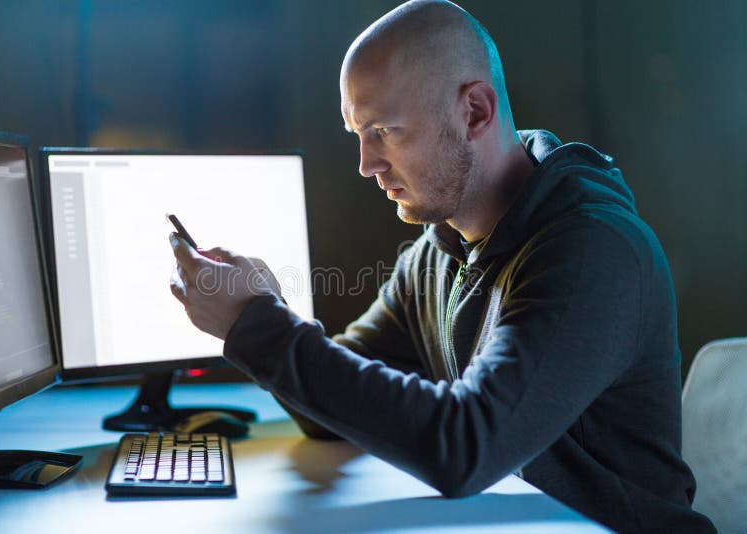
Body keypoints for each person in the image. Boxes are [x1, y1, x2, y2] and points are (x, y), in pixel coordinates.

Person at [169, 1, 714, 531]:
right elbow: (327, 411)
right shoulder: (437, 254)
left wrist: (257, 325)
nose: (365, 164)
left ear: (474, 111)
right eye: (357, 134)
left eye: (384, 131)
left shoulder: (593, 252)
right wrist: (266, 306)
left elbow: (466, 446)